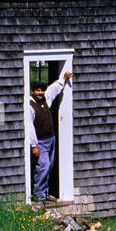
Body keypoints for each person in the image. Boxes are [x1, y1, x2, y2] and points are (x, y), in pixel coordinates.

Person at [26, 70, 73, 202]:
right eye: (37, 90)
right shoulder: (30, 106)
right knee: (43, 167)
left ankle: (45, 194)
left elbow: (54, 89)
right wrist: (34, 145)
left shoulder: (46, 99)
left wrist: (63, 79)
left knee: (49, 167)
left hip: (51, 139)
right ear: (32, 91)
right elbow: (30, 127)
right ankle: (38, 196)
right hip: (40, 142)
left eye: (42, 90)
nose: (40, 93)